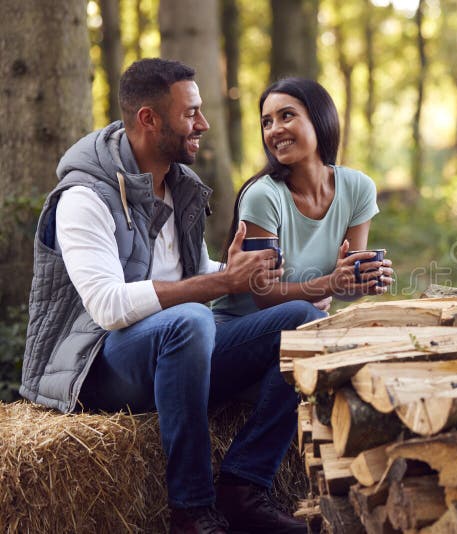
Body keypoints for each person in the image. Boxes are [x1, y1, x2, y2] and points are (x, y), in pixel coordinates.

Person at [19, 58, 323, 534]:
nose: (202, 124)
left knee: (301, 320)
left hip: (174, 351)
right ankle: (192, 509)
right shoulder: (84, 197)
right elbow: (109, 306)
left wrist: (247, 273)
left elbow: (195, 273)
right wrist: (220, 284)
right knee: (191, 320)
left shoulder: (179, 187)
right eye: (191, 114)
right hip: (96, 367)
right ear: (149, 119)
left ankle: (244, 484)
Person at [211, 78, 393, 319]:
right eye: (267, 122)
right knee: (304, 313)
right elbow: (263, 295)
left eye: (286, 116)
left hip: (299, 321)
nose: (274, 129)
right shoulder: (263, 195)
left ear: (319, 119)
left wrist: (363, 280)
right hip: (237, 329)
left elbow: (344, 288)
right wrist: (329, 284)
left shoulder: (358, 188)